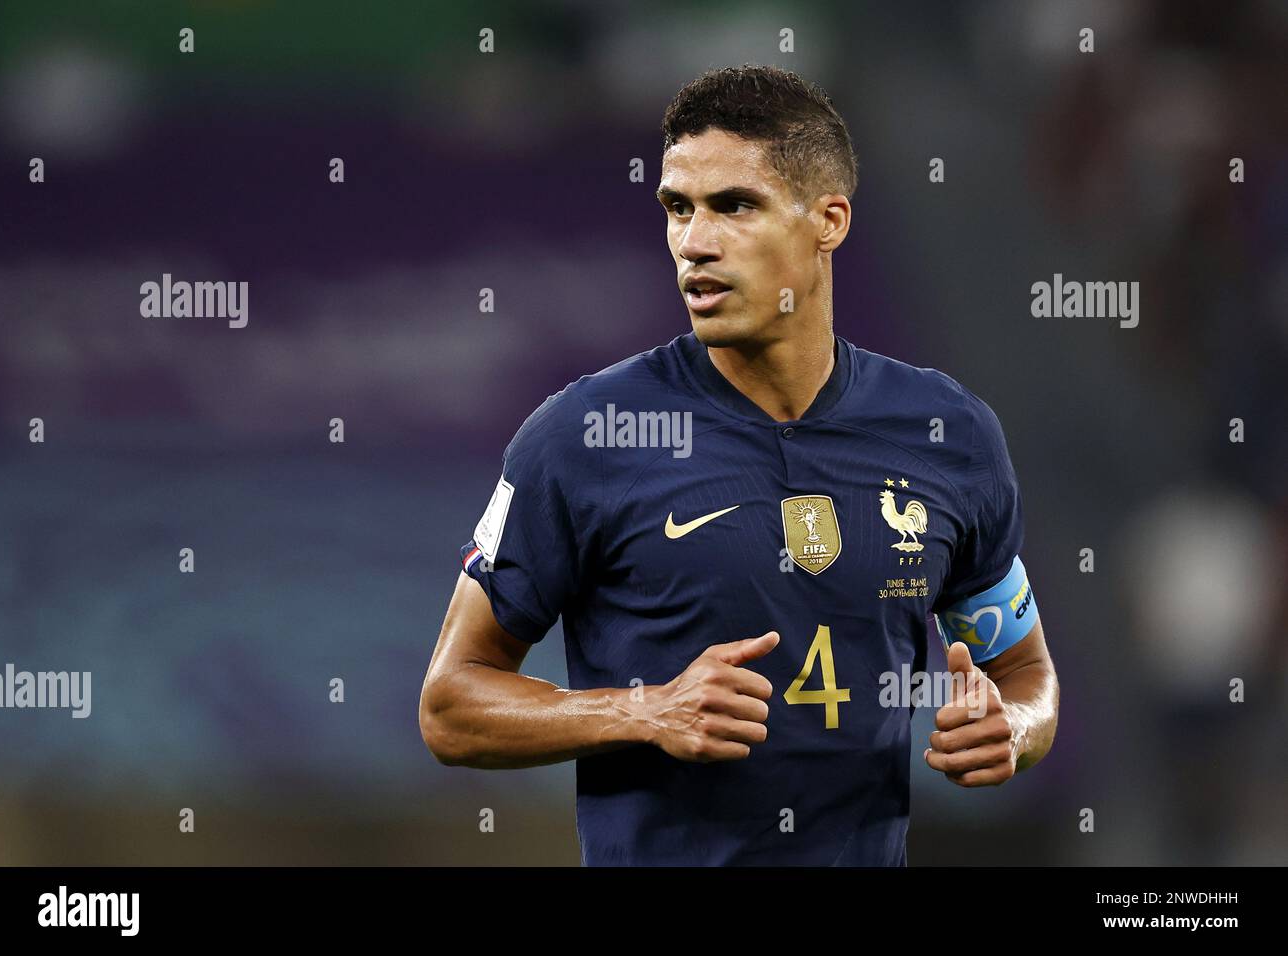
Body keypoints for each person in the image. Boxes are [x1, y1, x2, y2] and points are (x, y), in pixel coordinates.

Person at [420, 64, 1058, 865]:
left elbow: (1025, 671)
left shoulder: (946, 432)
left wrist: (1013, 729)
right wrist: (647, 711)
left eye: (735, 206)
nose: (694, 242)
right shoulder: (587, 435)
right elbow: (451, 706)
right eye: (678, 208)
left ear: (828, 220)